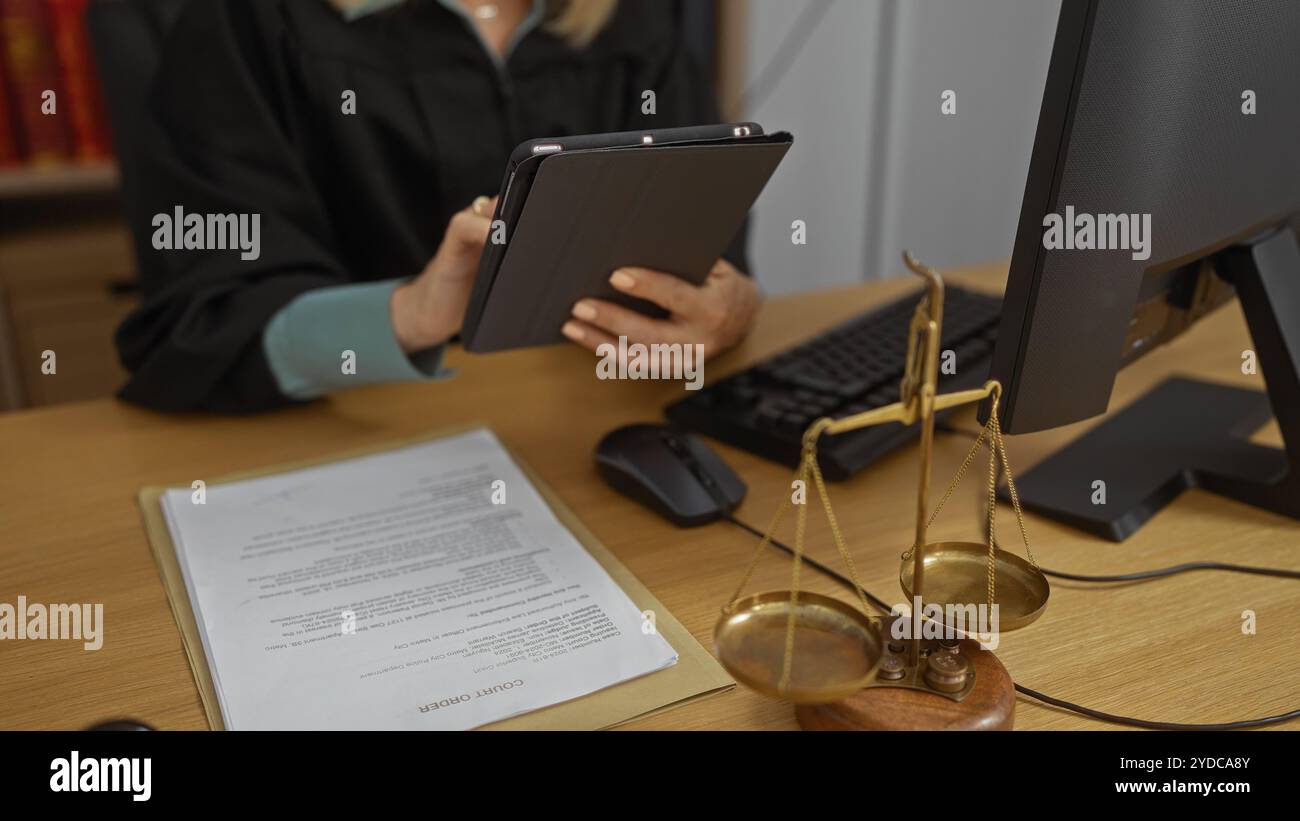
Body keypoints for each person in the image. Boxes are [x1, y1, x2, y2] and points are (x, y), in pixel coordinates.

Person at [115, 0, 760, 412]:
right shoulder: (252, 23)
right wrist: (410, 314)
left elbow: (709, 245)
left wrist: (727, 311)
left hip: (584, 423)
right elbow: (198, 323)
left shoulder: (630, 21)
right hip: (345, 447)